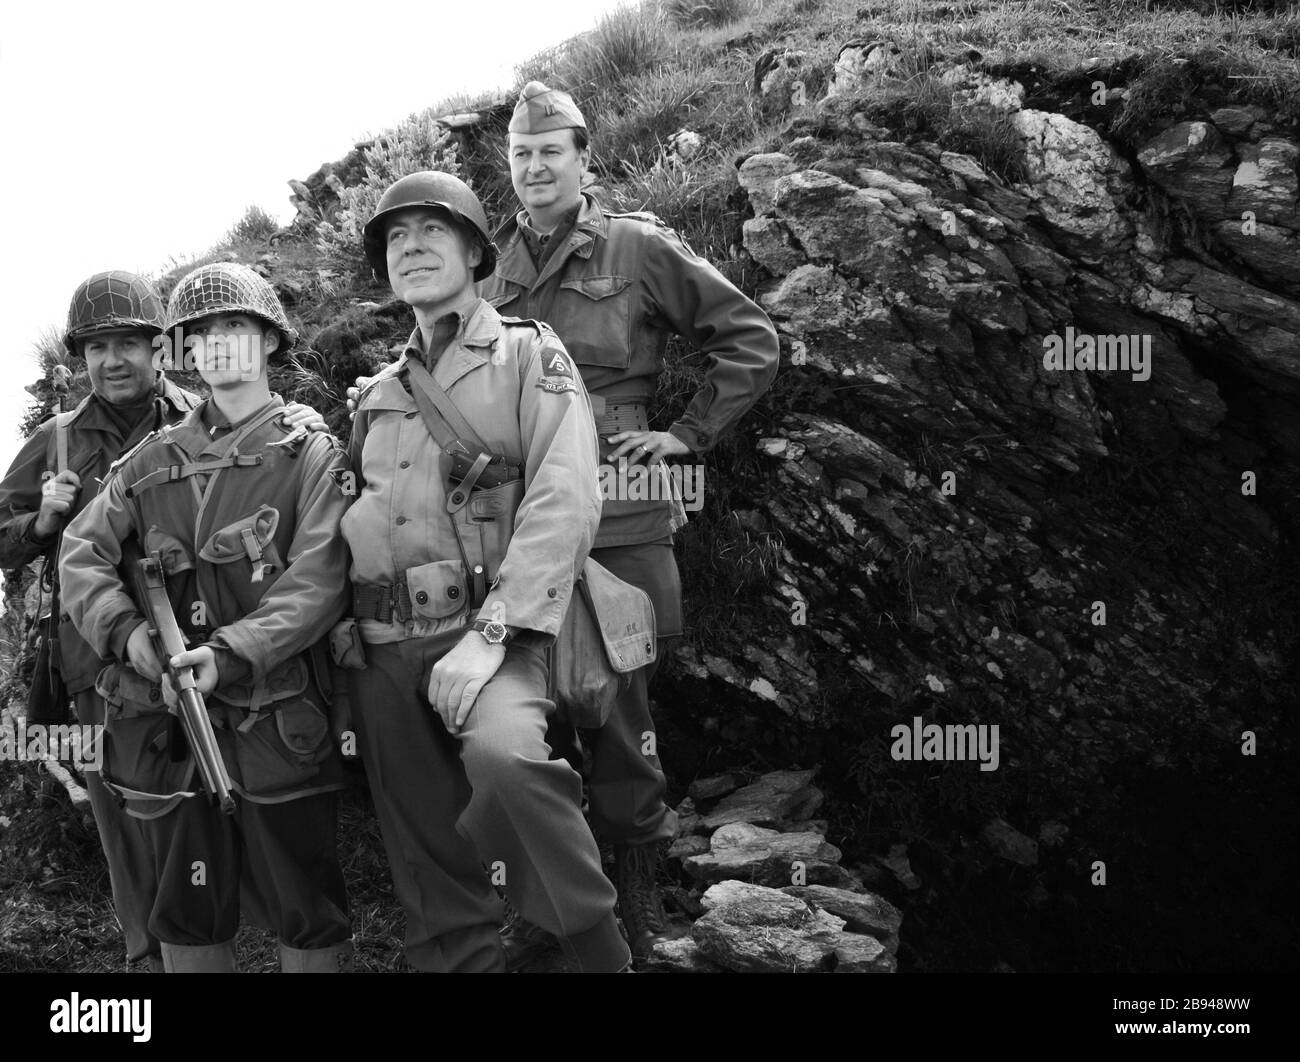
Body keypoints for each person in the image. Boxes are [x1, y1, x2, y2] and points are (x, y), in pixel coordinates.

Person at [479, 81, 780, 960]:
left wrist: (685, 435)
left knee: (621, 705)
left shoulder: (637, 247)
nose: (535, 168)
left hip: (617, 512)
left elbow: (748, 337)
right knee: (520, 712)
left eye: (550, 153)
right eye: (521, 156)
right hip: (518, 513)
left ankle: (636, 904)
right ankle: (551, 908)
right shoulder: (489, 266)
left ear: (583, 160)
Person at [0, 270, 326, 972]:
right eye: (95, 347)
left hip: (238, 666)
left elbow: (317, 571)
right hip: (104, 668)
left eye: (127, 342)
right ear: (79, 357)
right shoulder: (59, 438)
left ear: (156, 349)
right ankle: (144, 963)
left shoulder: (225, 427)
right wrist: (40, 520)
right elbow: (26, 543)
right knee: (139, 840)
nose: (112, 359)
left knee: (269, 856)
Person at [344, 170, 629, 972]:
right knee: (421, 839)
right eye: (397, 238)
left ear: (475, 250)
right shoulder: (375, 392)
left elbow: (566, 496)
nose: (413, 247)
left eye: (432, 230)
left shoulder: (528, 353)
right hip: (383, 641)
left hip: (494, 631)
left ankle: (595, 952)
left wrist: (492, 632)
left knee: (507, 762)